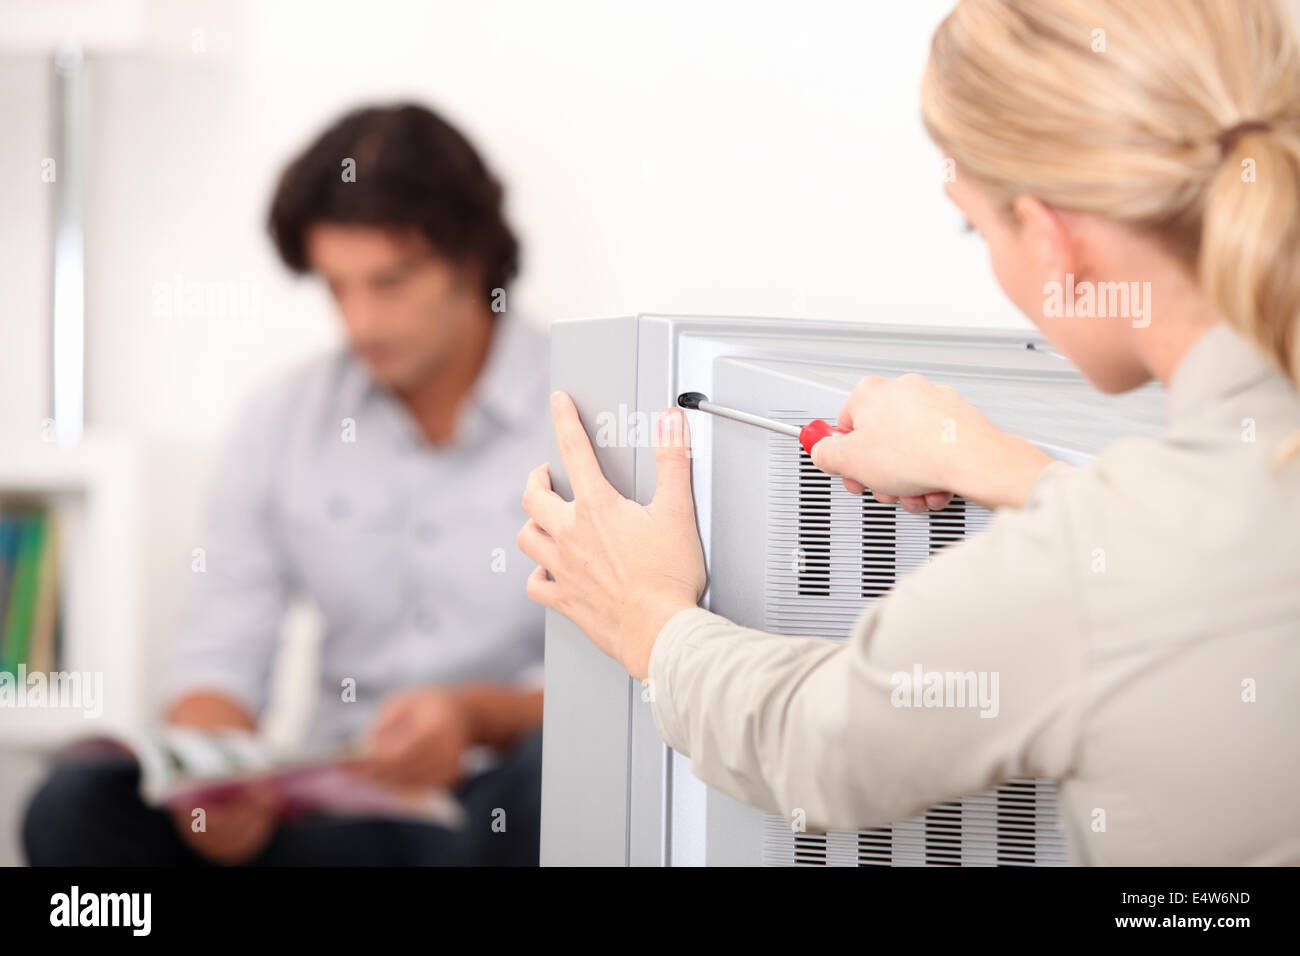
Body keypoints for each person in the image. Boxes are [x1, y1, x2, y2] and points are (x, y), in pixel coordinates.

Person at [516, 0, 1300, 865]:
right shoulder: (1210, 499)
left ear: (1050, 236)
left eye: (980, 224)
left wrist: (648, 617)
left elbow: (822, 744)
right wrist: (1001, 465)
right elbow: (1207, 551)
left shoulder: (1099, 559)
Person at [24, 103, 550, 866]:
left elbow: (633, 677)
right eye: (336, 288)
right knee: (74, 804)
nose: (361, 321)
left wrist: (472, 717)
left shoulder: (583, 408)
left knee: (546, 796)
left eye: (389, 282)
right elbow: (220, 649)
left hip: (491, 812)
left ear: (470, 261)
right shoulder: (283, 417)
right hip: (330, 815)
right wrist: (212, 776)